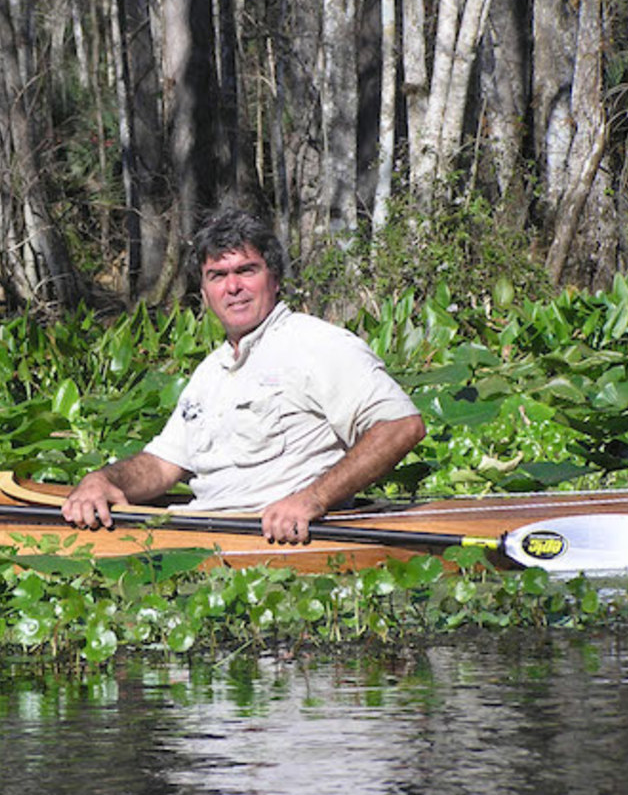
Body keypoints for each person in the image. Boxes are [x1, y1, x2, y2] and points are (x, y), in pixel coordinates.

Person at [61, 209, 425, 544]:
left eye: (246, 271)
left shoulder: (318, 345)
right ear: (204, 292)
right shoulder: (210, 371)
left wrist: (312, 499)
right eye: (218, 276)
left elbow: (401, 426)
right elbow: (161, 465)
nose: (233, 287)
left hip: (277, 544)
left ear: (275, 279)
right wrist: (102, 480)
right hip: (196, 538)